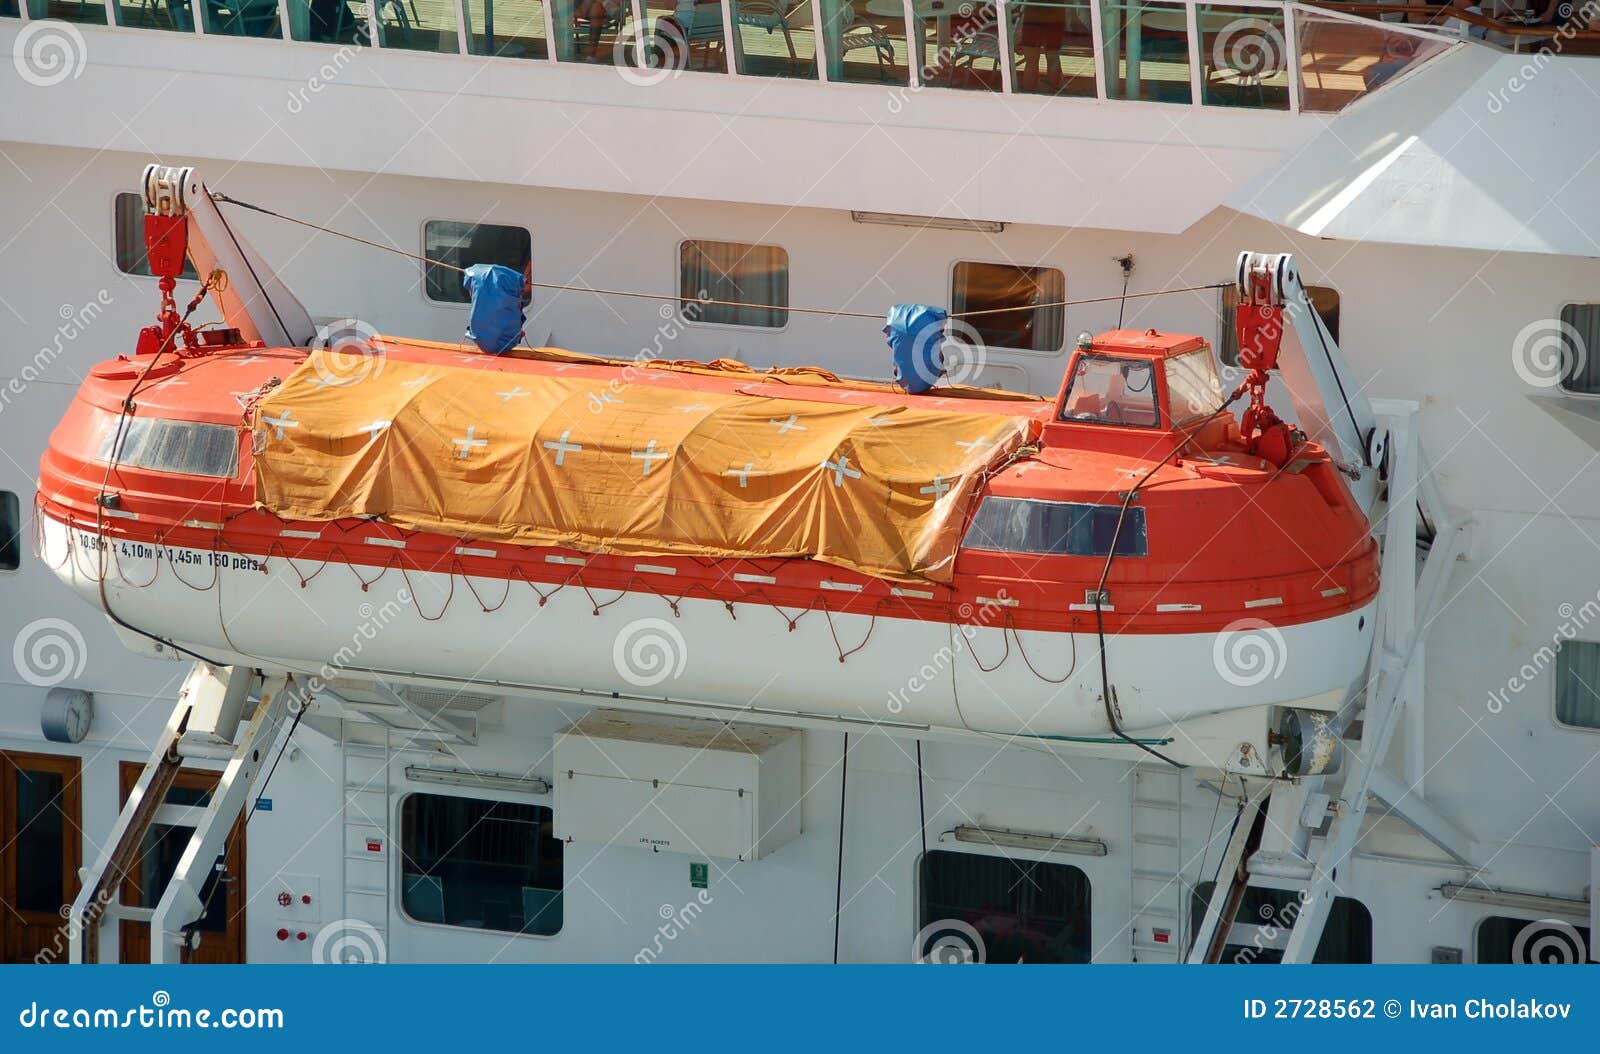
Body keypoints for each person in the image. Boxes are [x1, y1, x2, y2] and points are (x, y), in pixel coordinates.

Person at [1015, 2, 1067, 92]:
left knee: (1032, 61)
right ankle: (1052, 93)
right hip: (1055, 12)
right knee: (1052, 58)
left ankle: (1029, 93)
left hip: (1034, 13)